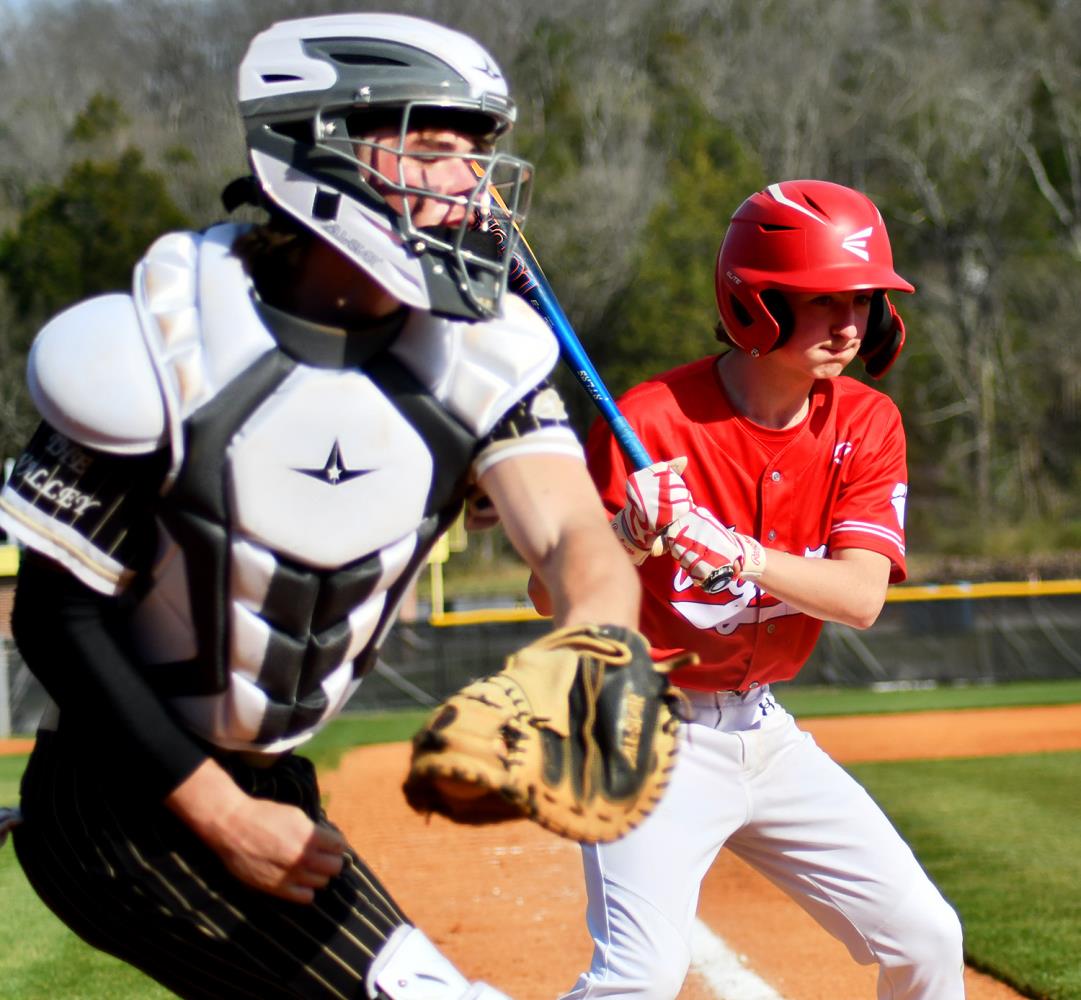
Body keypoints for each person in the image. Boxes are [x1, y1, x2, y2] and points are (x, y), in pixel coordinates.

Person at [0, 14, 641, 1000]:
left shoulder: (479, 352)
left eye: (477, 155)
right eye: (432, 153)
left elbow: (567, 530)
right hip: (121, 795)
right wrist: (220, 814)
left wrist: (594, 648)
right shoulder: (167, 339)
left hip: (270, 782)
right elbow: (55, 614)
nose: (470, 184)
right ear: (317, 149)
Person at [543, 179, 965, 999]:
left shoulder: (865, 422)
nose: (849, 324)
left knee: (925, 937)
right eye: (821, 301)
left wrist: (738, 553)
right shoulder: (652, 419)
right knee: (639, 978)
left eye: (864, 300)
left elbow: (858, 597)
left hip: (762, 728)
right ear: (754, 301)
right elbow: (547, 595)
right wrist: (627, 538)